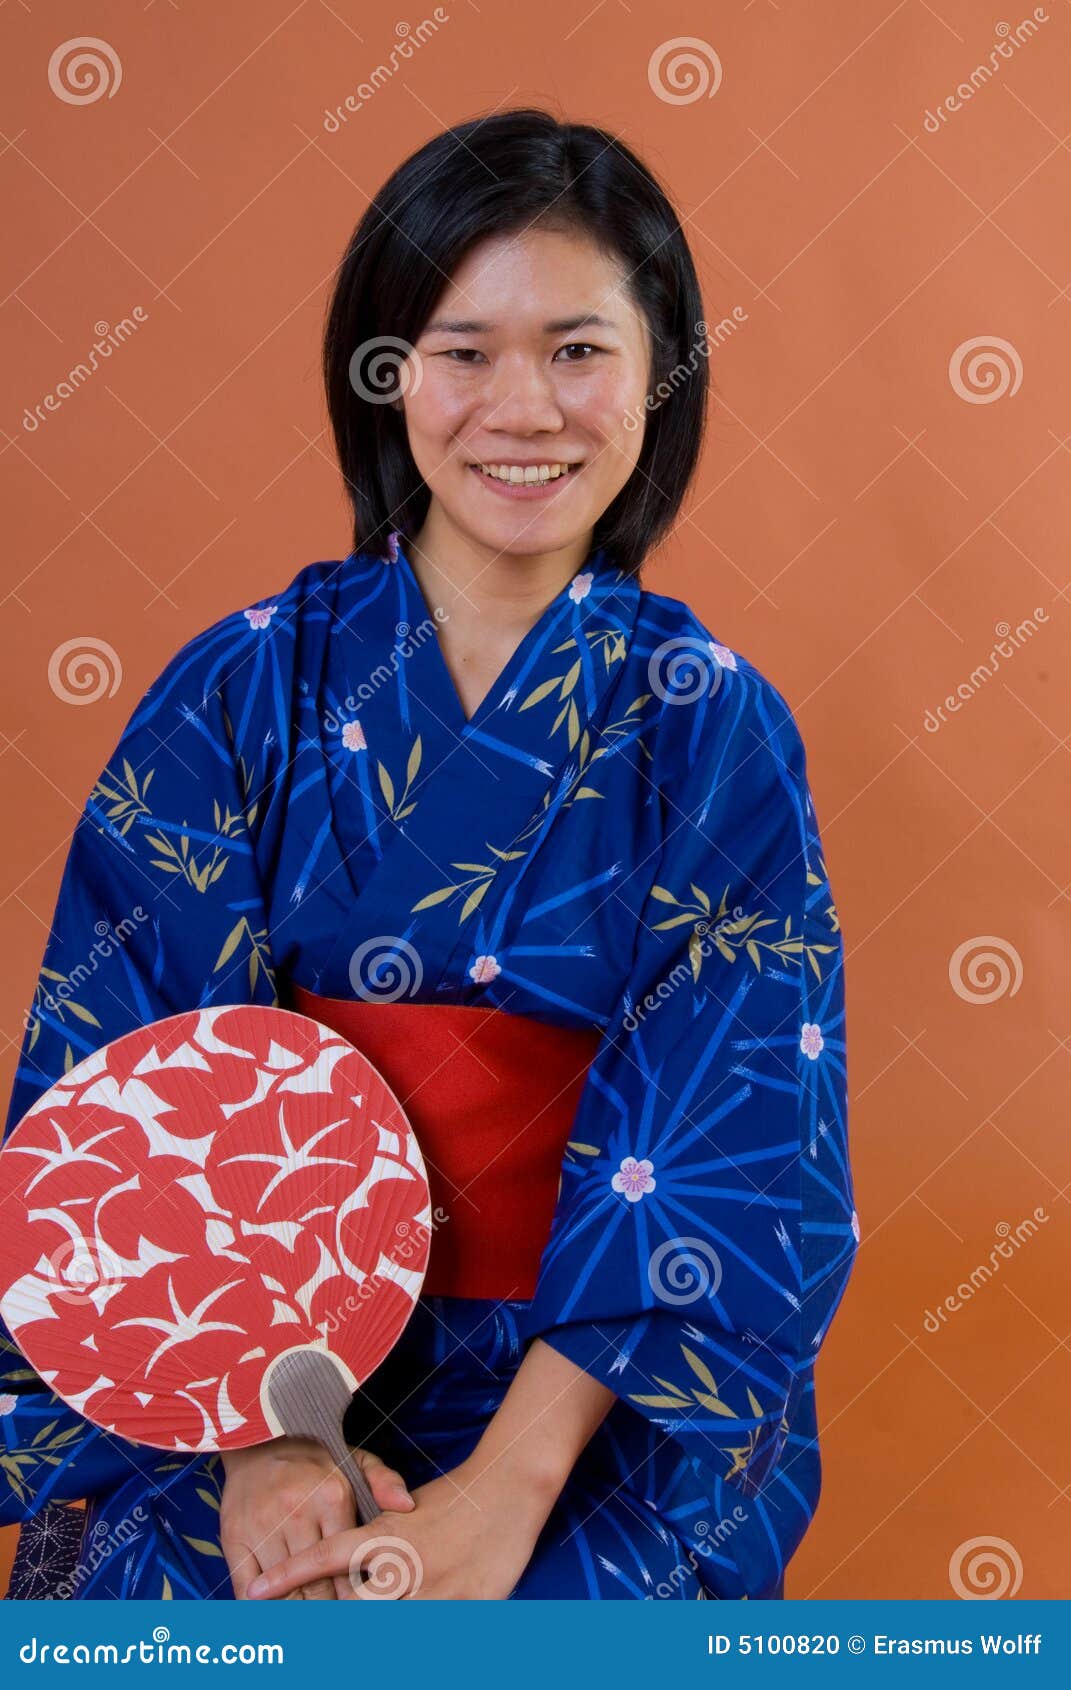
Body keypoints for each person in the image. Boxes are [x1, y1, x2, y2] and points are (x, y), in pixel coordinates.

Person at [0, 108, 857, 1601]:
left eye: (579, 350)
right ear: (387, 376)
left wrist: (508, 1490)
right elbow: (119, 1081)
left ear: (660, 376)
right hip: (254, 1371)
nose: (522, 407)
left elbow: (733, 1121)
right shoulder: (241, 690)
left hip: (589, 1392)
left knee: (545, 1619)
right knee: (200, 1612)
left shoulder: (709, 725)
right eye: (464, 351)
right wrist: (257, 1432)